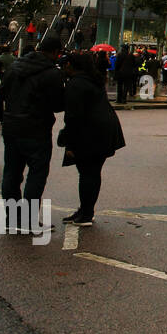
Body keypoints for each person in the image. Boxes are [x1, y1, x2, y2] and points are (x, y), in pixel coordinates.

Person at [0, 36, 66, 225]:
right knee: (36, 174)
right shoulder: (52, 73)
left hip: (12, 125)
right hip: (37, 128)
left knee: (11, 172)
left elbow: (2, 93)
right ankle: (28, 219)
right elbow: (58, 105)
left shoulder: (15, 67)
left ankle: (12, 218)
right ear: (54, 52)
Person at [58, 51, 125, 226]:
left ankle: (86, 213)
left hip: (89, 132)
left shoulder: (75, 84)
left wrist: (70, 143)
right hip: (105, 129)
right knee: (93, 173)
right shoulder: (94, 80)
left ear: (71, 65)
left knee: (87, 174)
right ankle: (86, 210)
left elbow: (73, 116)